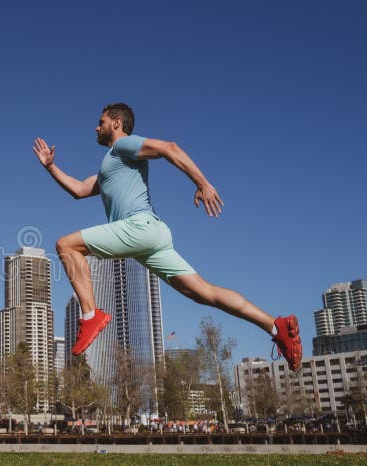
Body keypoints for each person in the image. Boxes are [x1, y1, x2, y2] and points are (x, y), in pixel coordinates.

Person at [32, 102, 302, 370]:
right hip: (151, 237)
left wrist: (203, 183)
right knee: (204, 292)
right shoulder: (111, 165)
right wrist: (50, 167)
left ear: (116, 123)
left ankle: (91, 315)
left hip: (139, 227)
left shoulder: (124, 146)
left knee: (66, 245)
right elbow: (79, 189)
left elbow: (169, 148)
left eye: (101, 121)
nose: (96, 126)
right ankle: (275, 327)